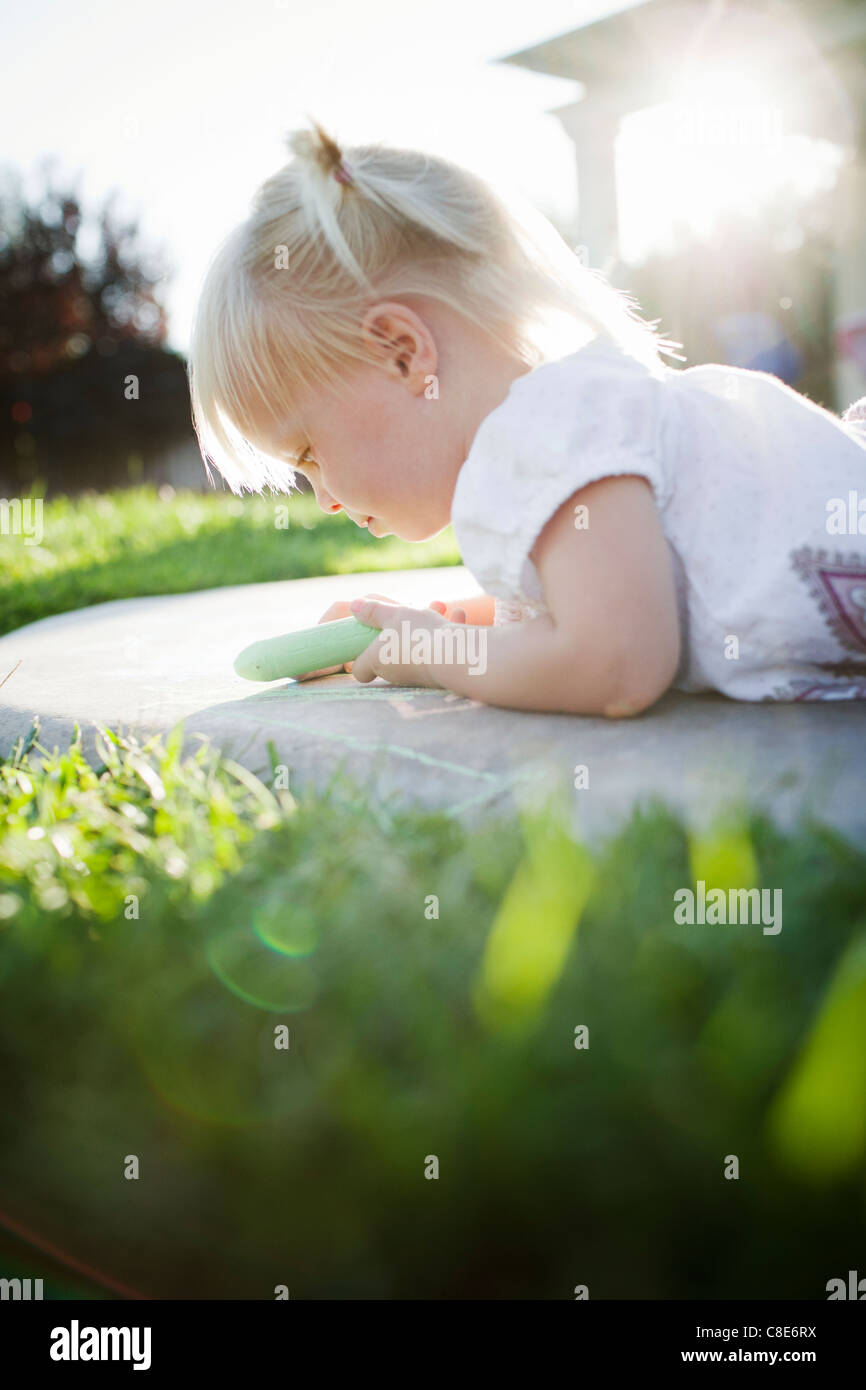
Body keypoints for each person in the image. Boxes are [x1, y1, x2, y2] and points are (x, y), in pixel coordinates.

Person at [188, 120, 866, 714]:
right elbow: (574, 609)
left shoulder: (553, 423)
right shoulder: (555, 434)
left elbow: (617, 661)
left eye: (308, 453)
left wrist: (432, 653)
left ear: (401, 351)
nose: (326, 500)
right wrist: (433, 625)